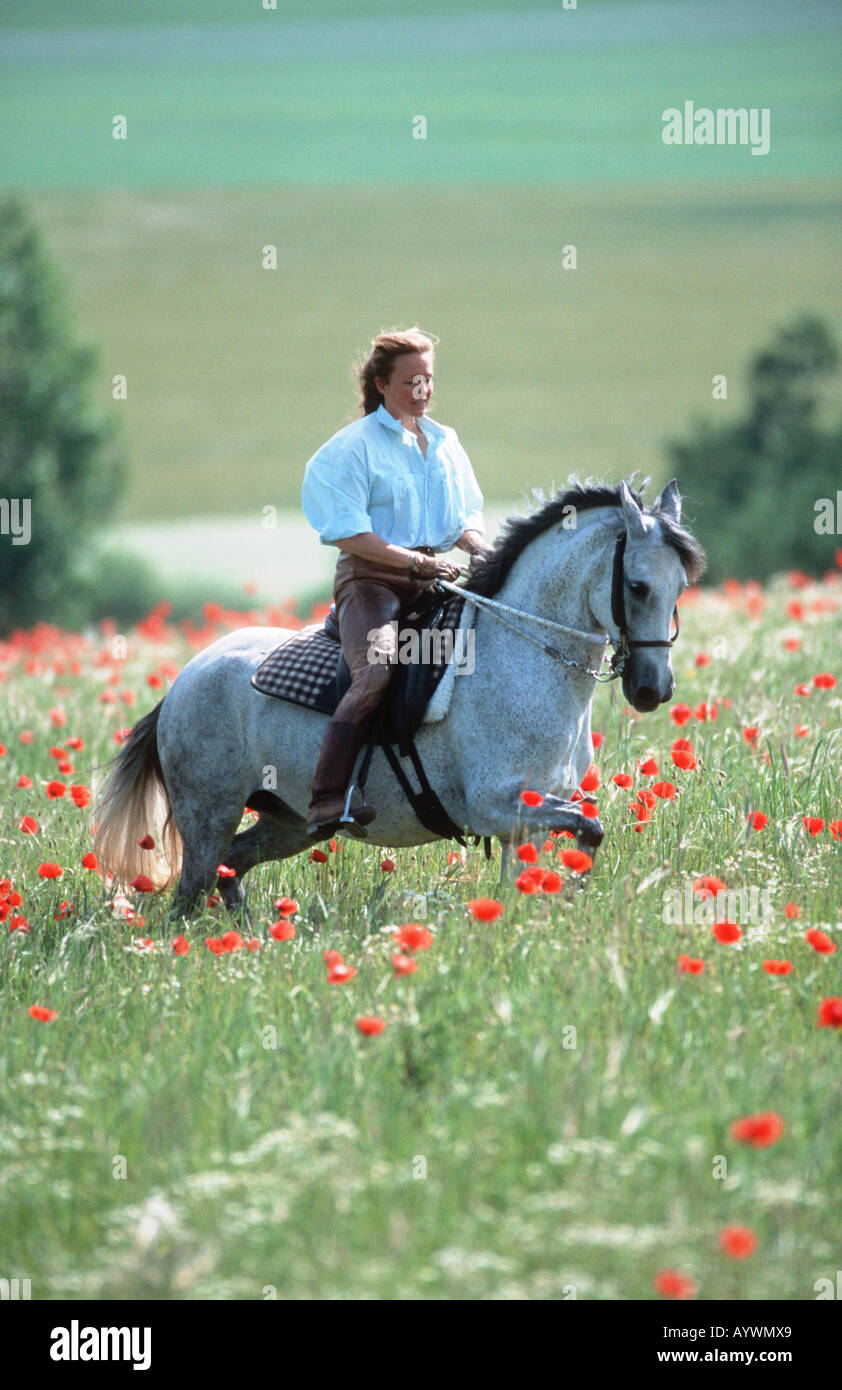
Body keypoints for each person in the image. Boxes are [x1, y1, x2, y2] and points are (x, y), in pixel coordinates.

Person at [300, 326, 491, 839]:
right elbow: (350, 535)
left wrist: (481, 550)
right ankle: (327, 799)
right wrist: (417, 564)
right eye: (411, 382)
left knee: (485, 658)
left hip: (433, 580)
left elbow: (463, 522)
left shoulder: (447, 443)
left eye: (428, 380)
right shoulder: (354, 448)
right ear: (382, 385)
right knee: (378, 672)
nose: (422, 391)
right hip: (372, 583)